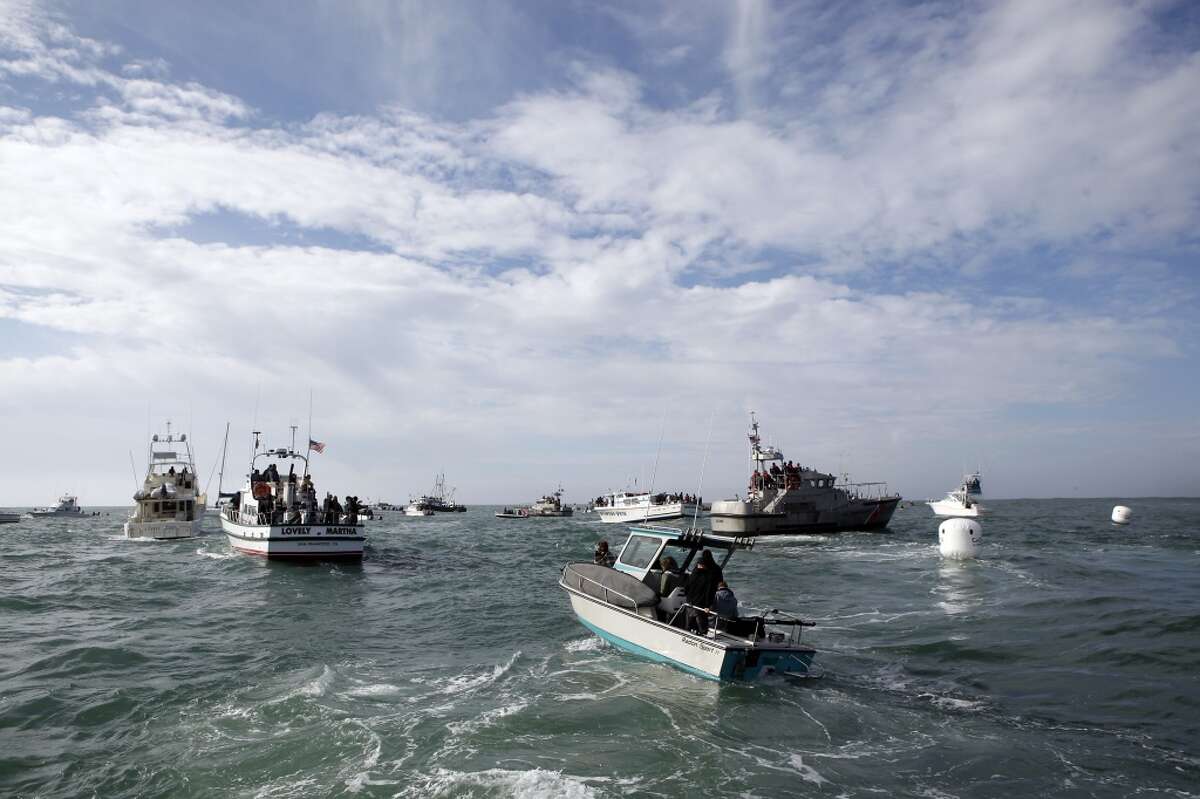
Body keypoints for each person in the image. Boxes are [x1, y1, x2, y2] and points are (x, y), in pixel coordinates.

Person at [685, 550, 721, 634]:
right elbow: (718, 582)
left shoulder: (697, 571)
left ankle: (696, 631)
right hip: (705, 598)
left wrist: (688, 596)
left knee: (694, 618)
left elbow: (689, 584)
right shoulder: (716, 568)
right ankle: (700, 631)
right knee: (700, 617)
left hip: (694, 598)